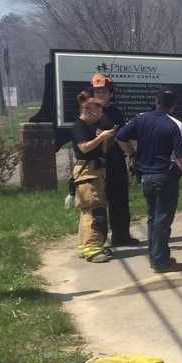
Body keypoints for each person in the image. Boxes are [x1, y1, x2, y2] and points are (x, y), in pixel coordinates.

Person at [115, 90, 182, 272]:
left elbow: (120, 136)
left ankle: (156, 257)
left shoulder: (140, 119)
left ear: (156, 102)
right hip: (165, 176)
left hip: (145, 176)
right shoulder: (175, 124)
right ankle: (161, 261)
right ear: (173, 106)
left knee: (152, 218)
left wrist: (131, 154)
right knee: (163, 220)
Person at [91, 73, 142, 247]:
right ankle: (98, 239)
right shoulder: (89, 113)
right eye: (97, 91)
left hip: (116, 160)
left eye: (104, 91)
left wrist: (130, 154)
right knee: (97, 202)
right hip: (97, 162)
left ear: (110, 93)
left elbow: (122, 136)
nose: (101, 94)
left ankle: (121, 235)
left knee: (119, 199)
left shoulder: (115, 112)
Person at [69, 92, 114, 263]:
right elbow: (84, 148)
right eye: (96, 113)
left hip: (96, 171)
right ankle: (93, 248)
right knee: (94, 210)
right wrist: (101, 137)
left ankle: (86, 245)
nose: (99, 117)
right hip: (87, 173)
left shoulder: (91, 127)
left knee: (88, 210)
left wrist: (103, 138)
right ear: (87, 111)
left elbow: (99, 150)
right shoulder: (78, 126)